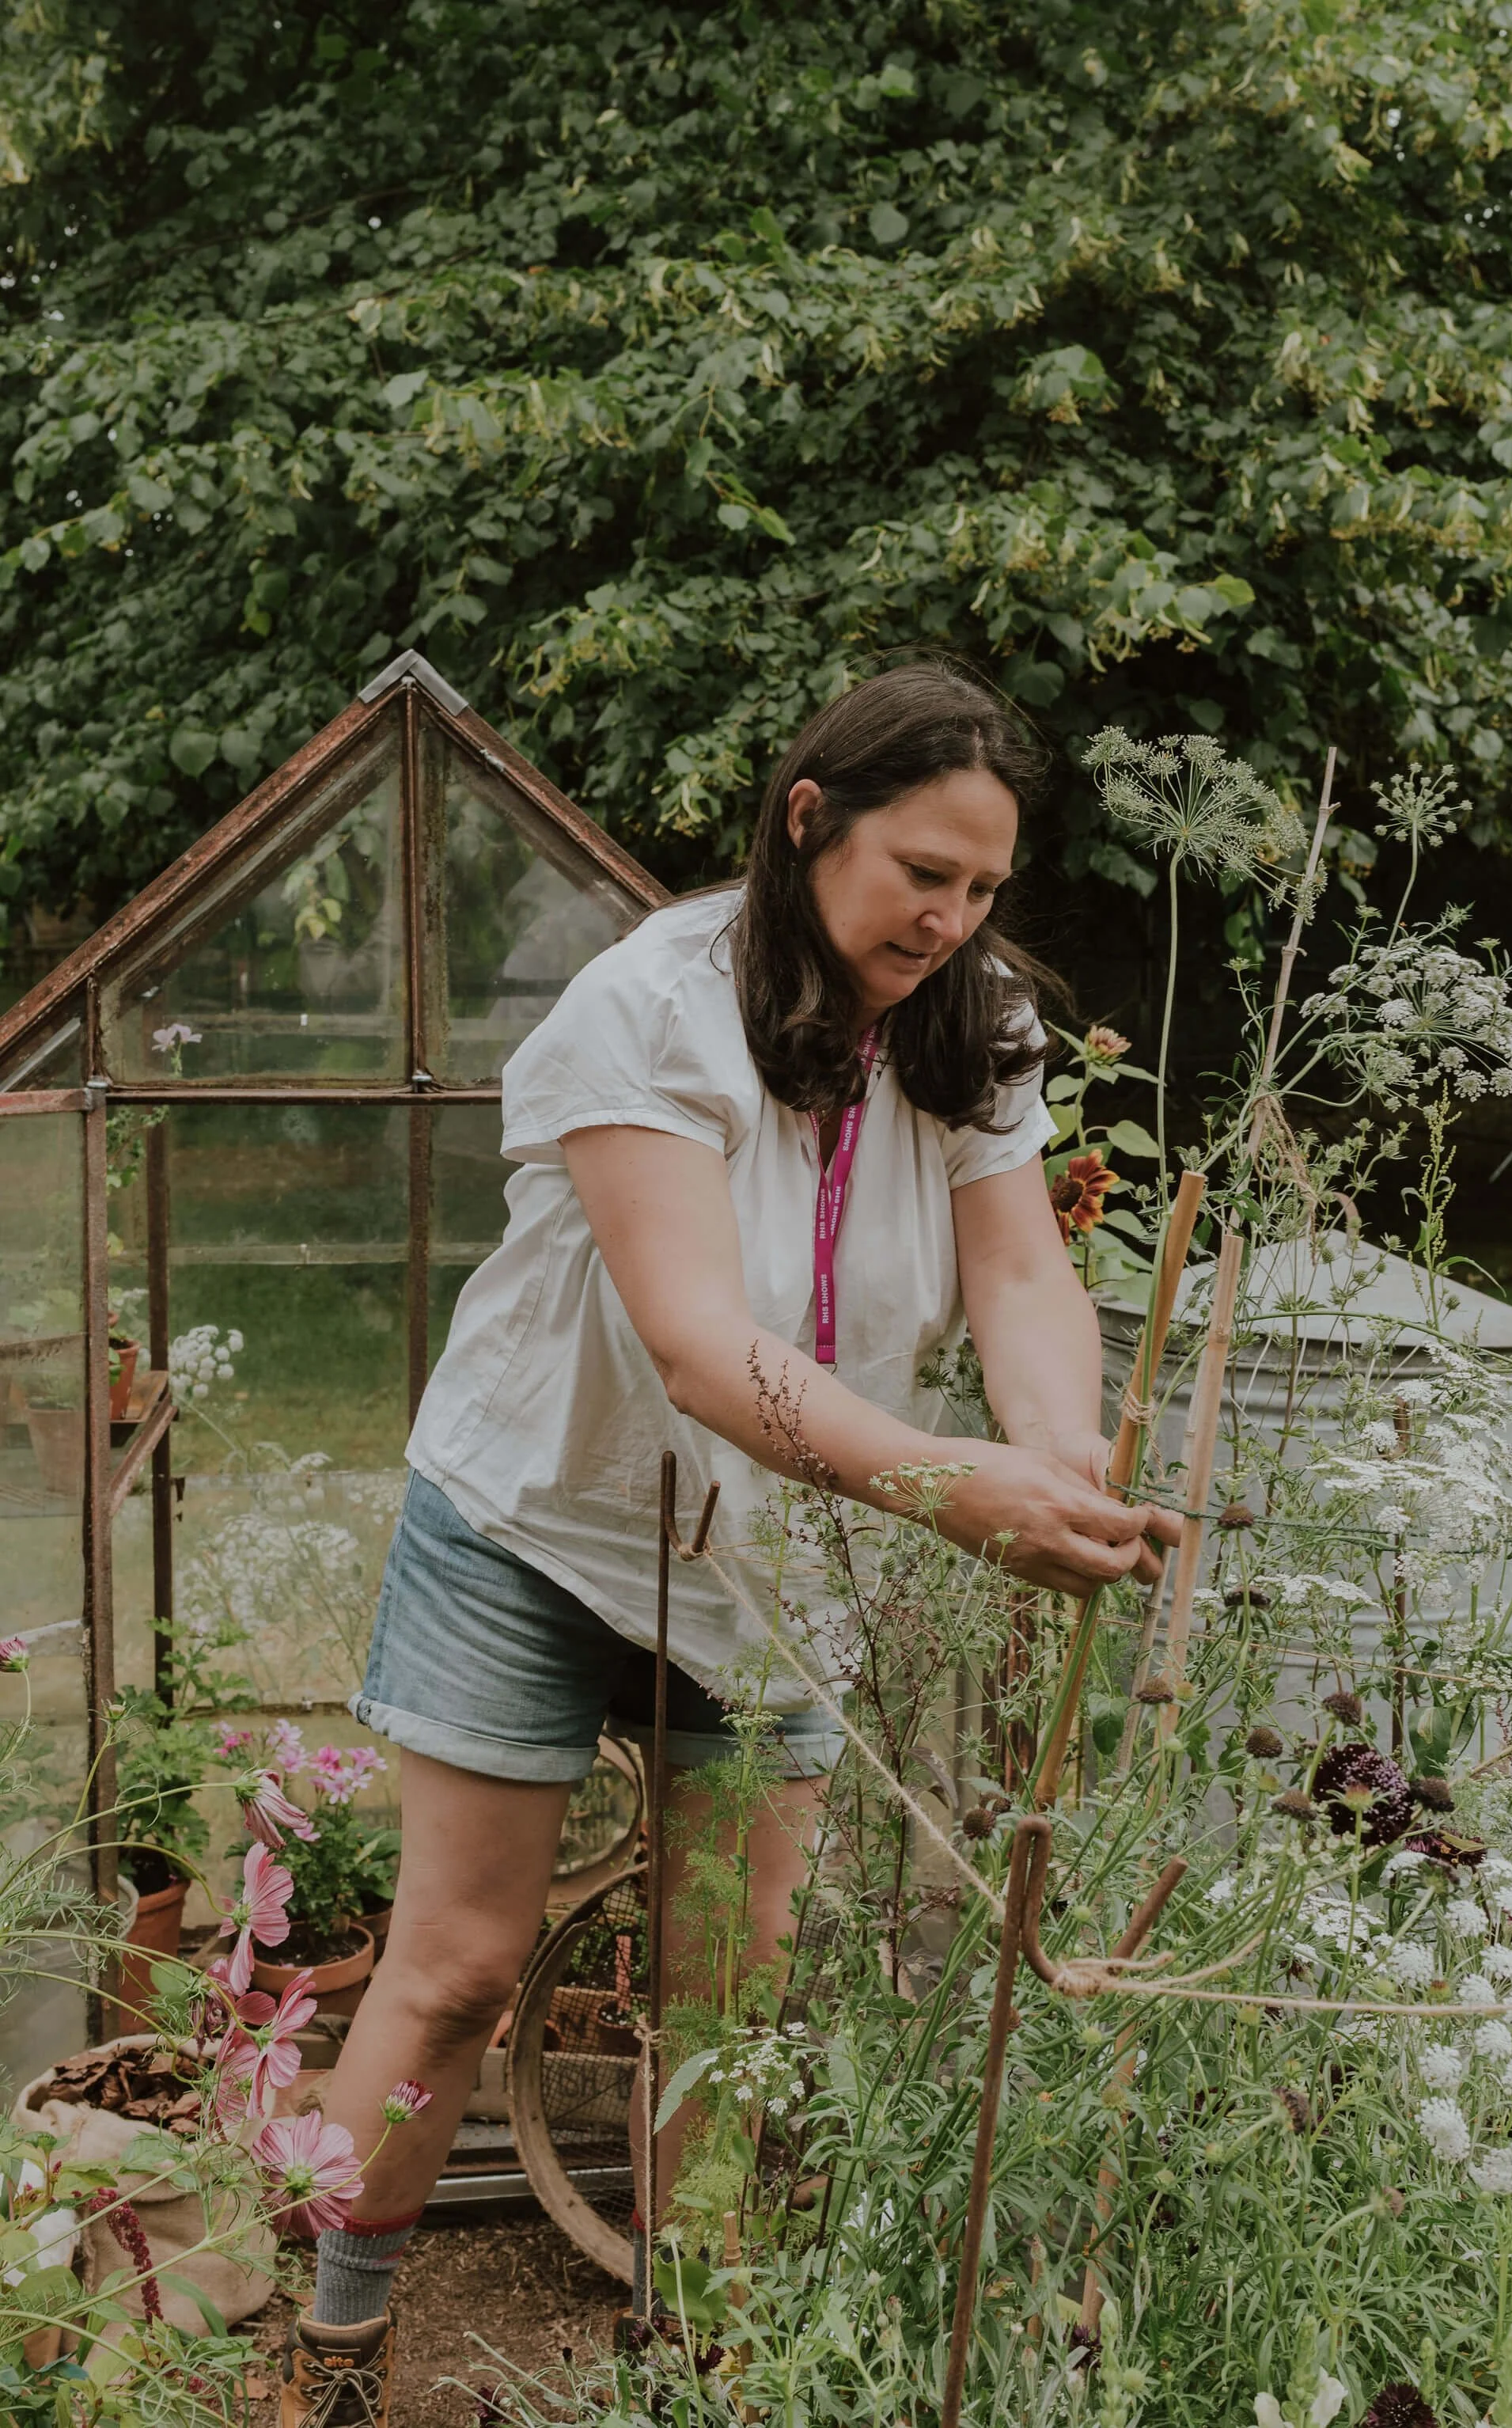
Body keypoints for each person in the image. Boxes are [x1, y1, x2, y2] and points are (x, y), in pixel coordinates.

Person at [279, 661, 1179, 2423]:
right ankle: (337, 2343)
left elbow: (1018, 1273)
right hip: (537, 1523)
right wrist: (951, 1487)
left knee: (728, 1996)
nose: (950, 918)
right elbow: (698, 1348)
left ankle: (692, 2360)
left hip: (777, 1547)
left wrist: (1058, 1456)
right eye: (921, 870)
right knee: (457, 1967)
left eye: (983, 886)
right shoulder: (647, 1006)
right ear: (808, 817)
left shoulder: (975, 1022)